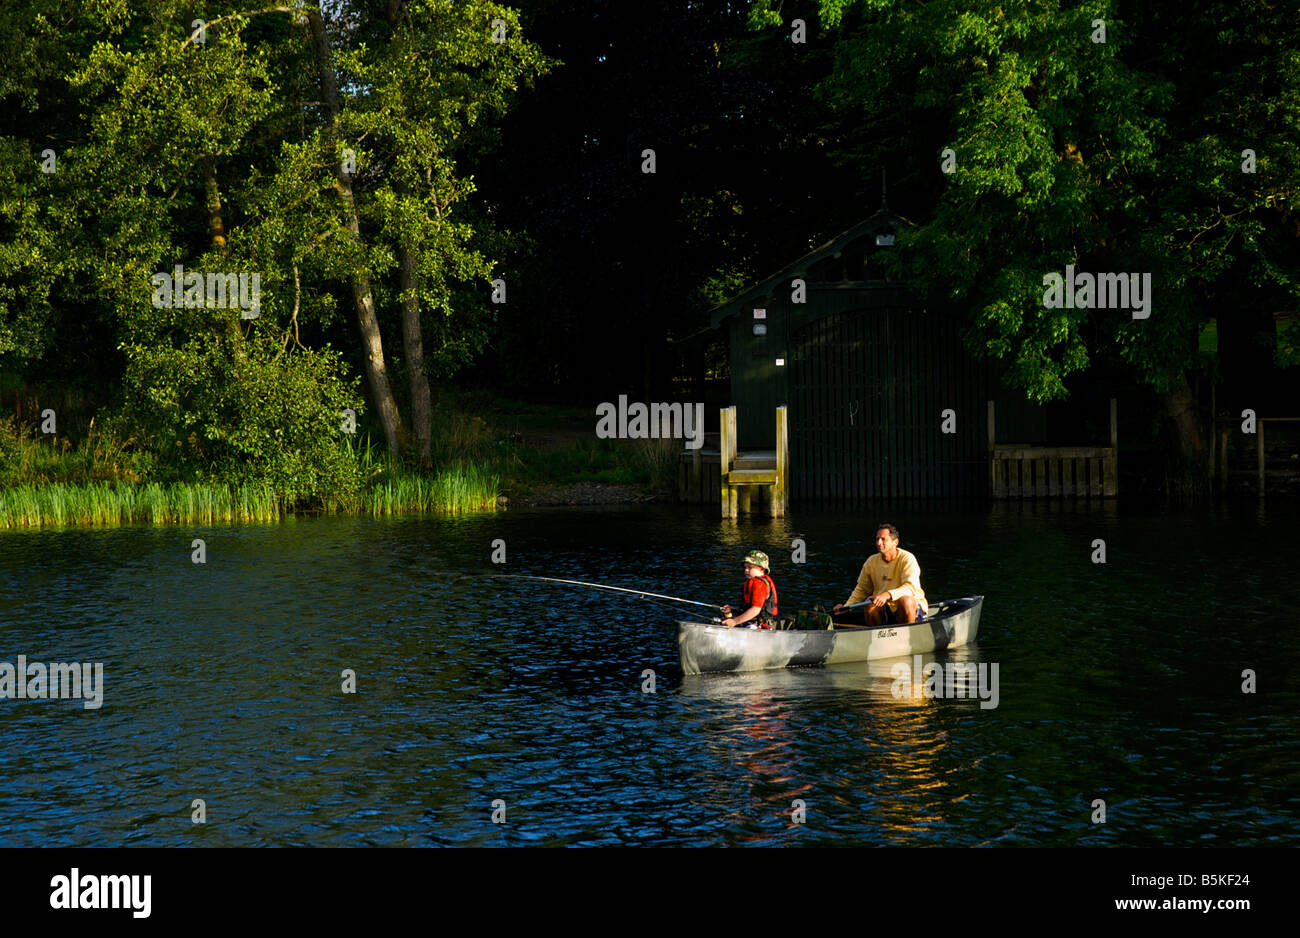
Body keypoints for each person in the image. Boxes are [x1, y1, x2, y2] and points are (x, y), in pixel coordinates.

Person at [833, 523, 928, 627]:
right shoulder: (871, 561)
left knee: (906, 600)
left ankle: (910, 635)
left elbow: (910, 587)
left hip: (911, 607)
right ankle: (877, 636)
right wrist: (847, 607)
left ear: (895, 542)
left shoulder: (907, 558)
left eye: (883, 539)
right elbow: (861, 589)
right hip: (887, 608)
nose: (879, 543)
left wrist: (887, 595)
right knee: (870, 602)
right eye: (877, 539)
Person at [720, 550, 778, 629]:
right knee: (723, 620)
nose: (746, 570)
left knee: (745, 626)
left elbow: (755, 609)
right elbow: (748, 608)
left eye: (750, 567)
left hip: (761, 625)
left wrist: (735, 622)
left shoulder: (760, 584)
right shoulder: (752, 582)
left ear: (762, 568)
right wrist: (732, 609)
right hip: (752, 621)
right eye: (745, 567)